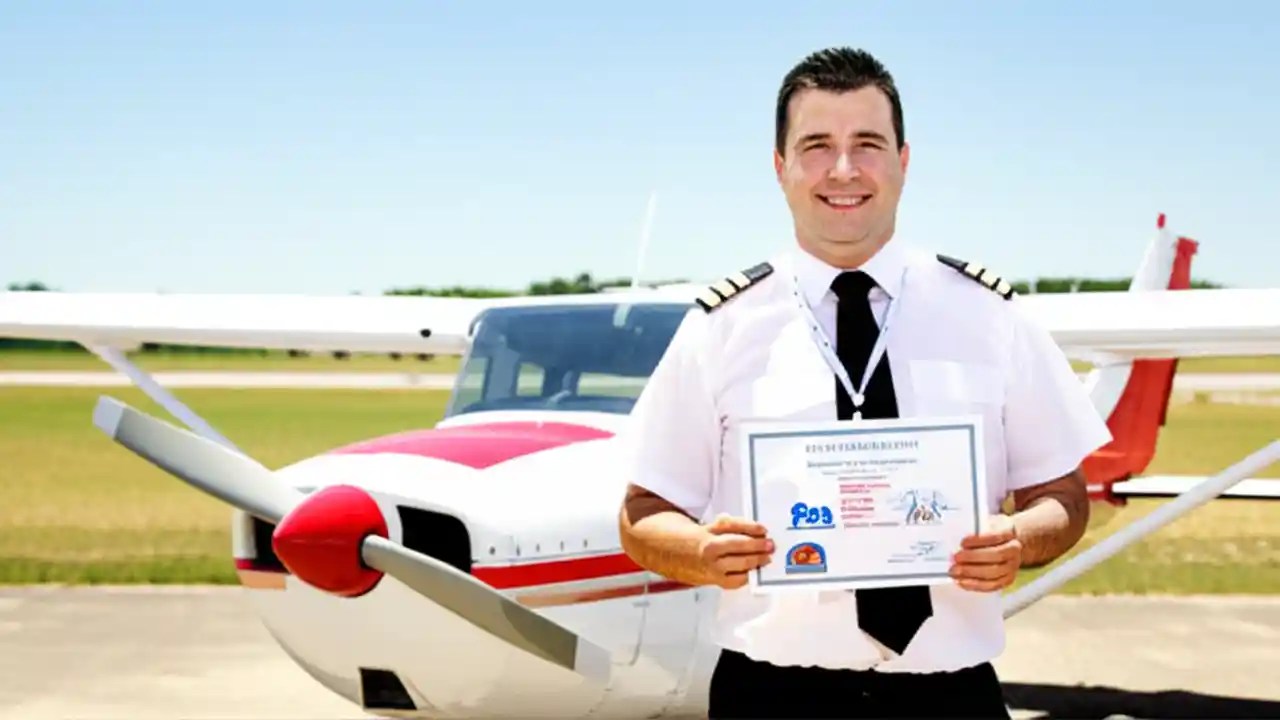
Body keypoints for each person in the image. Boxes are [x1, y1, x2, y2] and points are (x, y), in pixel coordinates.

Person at [617, 46, 1111, 719]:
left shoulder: (989, 314)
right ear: (780, 167)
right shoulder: (721, 327)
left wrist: (1022, 540)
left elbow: (1062, 494)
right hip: (772, 691)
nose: (844, 169)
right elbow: (642, 514)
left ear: (904, 161)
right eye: (817, 144)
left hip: (949, 692)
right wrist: (703, 552)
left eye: (868, 144)